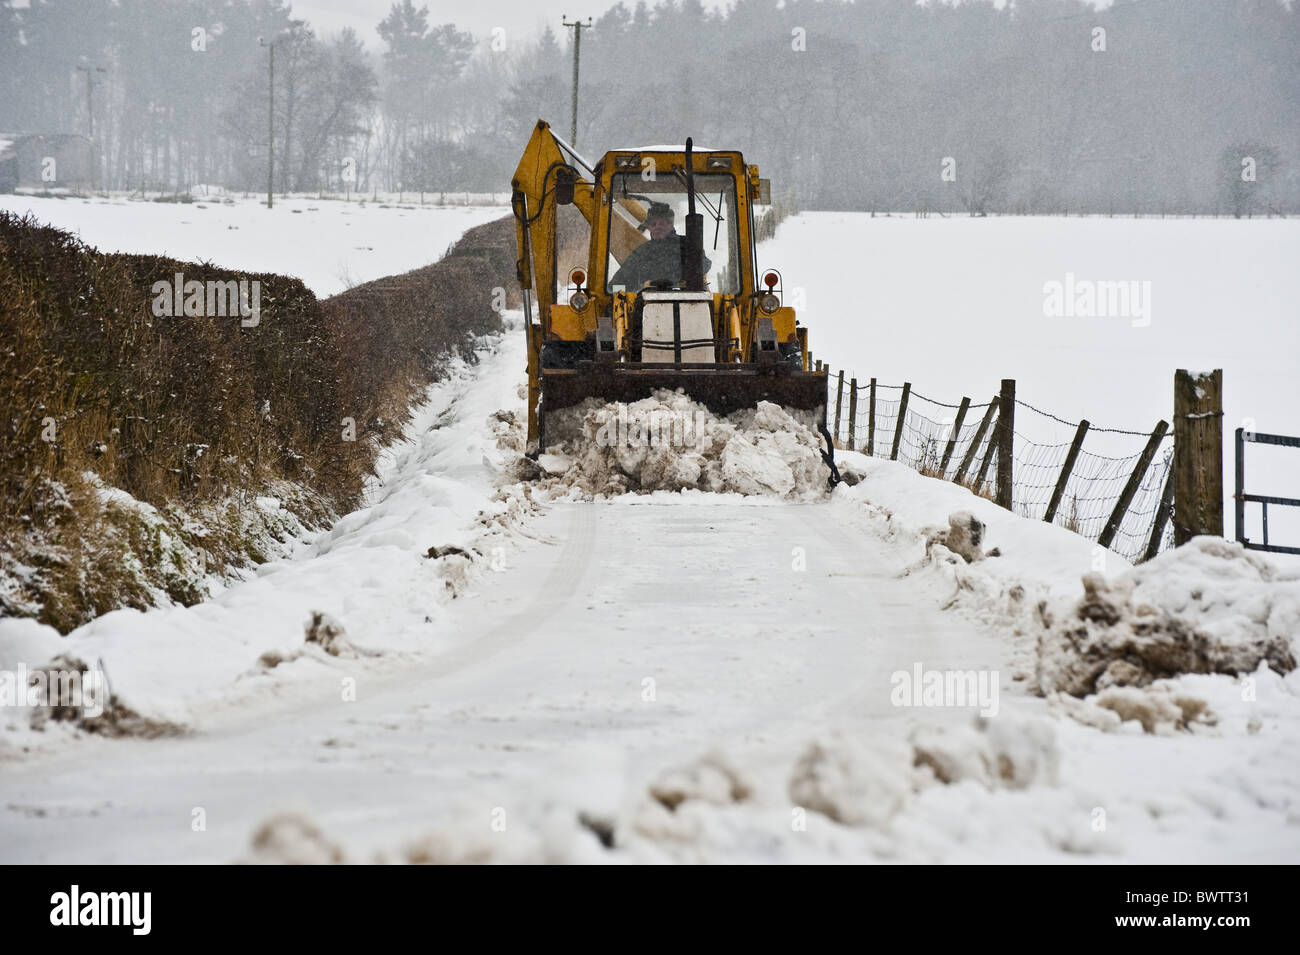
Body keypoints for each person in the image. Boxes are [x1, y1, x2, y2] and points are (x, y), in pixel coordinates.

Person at [610, 201, 711, 291]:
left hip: (687, 301)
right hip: (647, 305)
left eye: (661, 223)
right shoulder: (642, 252)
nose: (657, 227)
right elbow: (621, 280)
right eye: (653, 224)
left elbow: (704, 264)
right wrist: (615, 293)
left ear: (670, 225)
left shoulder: (686, 245)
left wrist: (678, 280)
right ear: (649, 227)